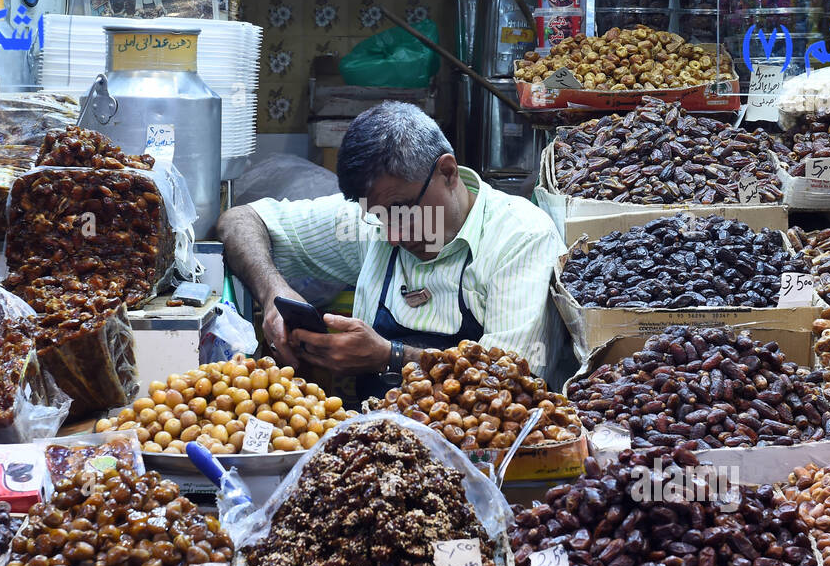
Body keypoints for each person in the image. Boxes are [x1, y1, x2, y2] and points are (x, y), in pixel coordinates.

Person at [217, 101, 567, 399]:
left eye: (404, 211)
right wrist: (273, 293)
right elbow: (239, 221)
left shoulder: (521, 237)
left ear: (447, 172)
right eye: (380, 219)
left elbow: (516, 380)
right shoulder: (376, 221)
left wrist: (392, 357)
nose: (394, 235)